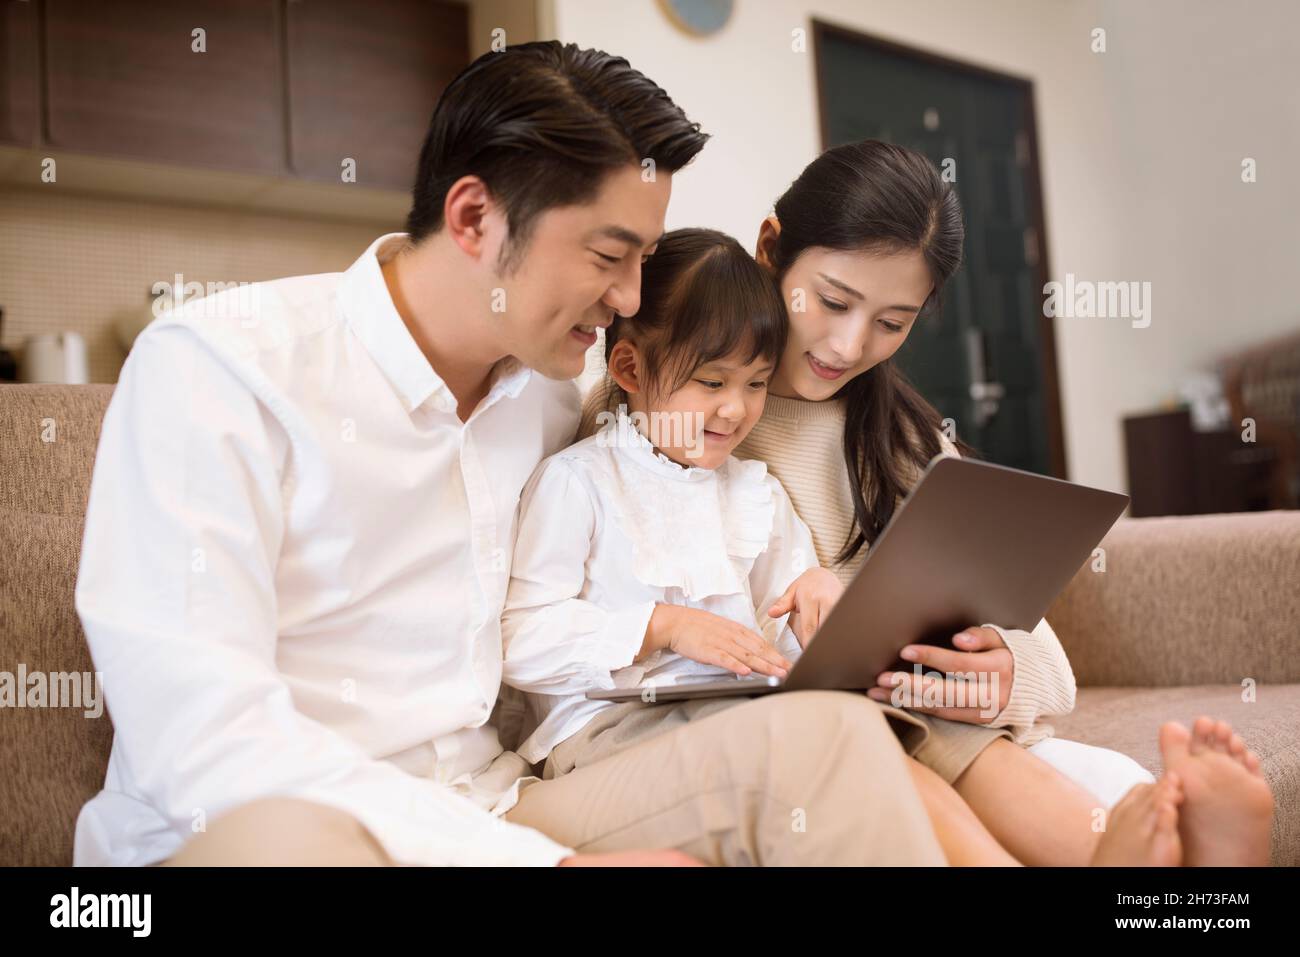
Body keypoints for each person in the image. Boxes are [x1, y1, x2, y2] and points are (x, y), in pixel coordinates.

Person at [73, 42, 948, 867]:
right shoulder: (222, 370)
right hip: (286, 822)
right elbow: (203, 741)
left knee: (827, 743)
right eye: (610, 256)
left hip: (495, 804)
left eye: (644, 257)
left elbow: (681, 463)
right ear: (474, 218)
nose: (631, 298)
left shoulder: (552, 395)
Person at [576, 142, 1275, 865]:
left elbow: (1048, 664)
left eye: (891, 321)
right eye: (834, 300)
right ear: (770, 248)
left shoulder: (901, 436)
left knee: (1109, 786)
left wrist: (1005, 665)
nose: (848, 344)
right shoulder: (662, 419)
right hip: (798, 727)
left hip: (942, 721)